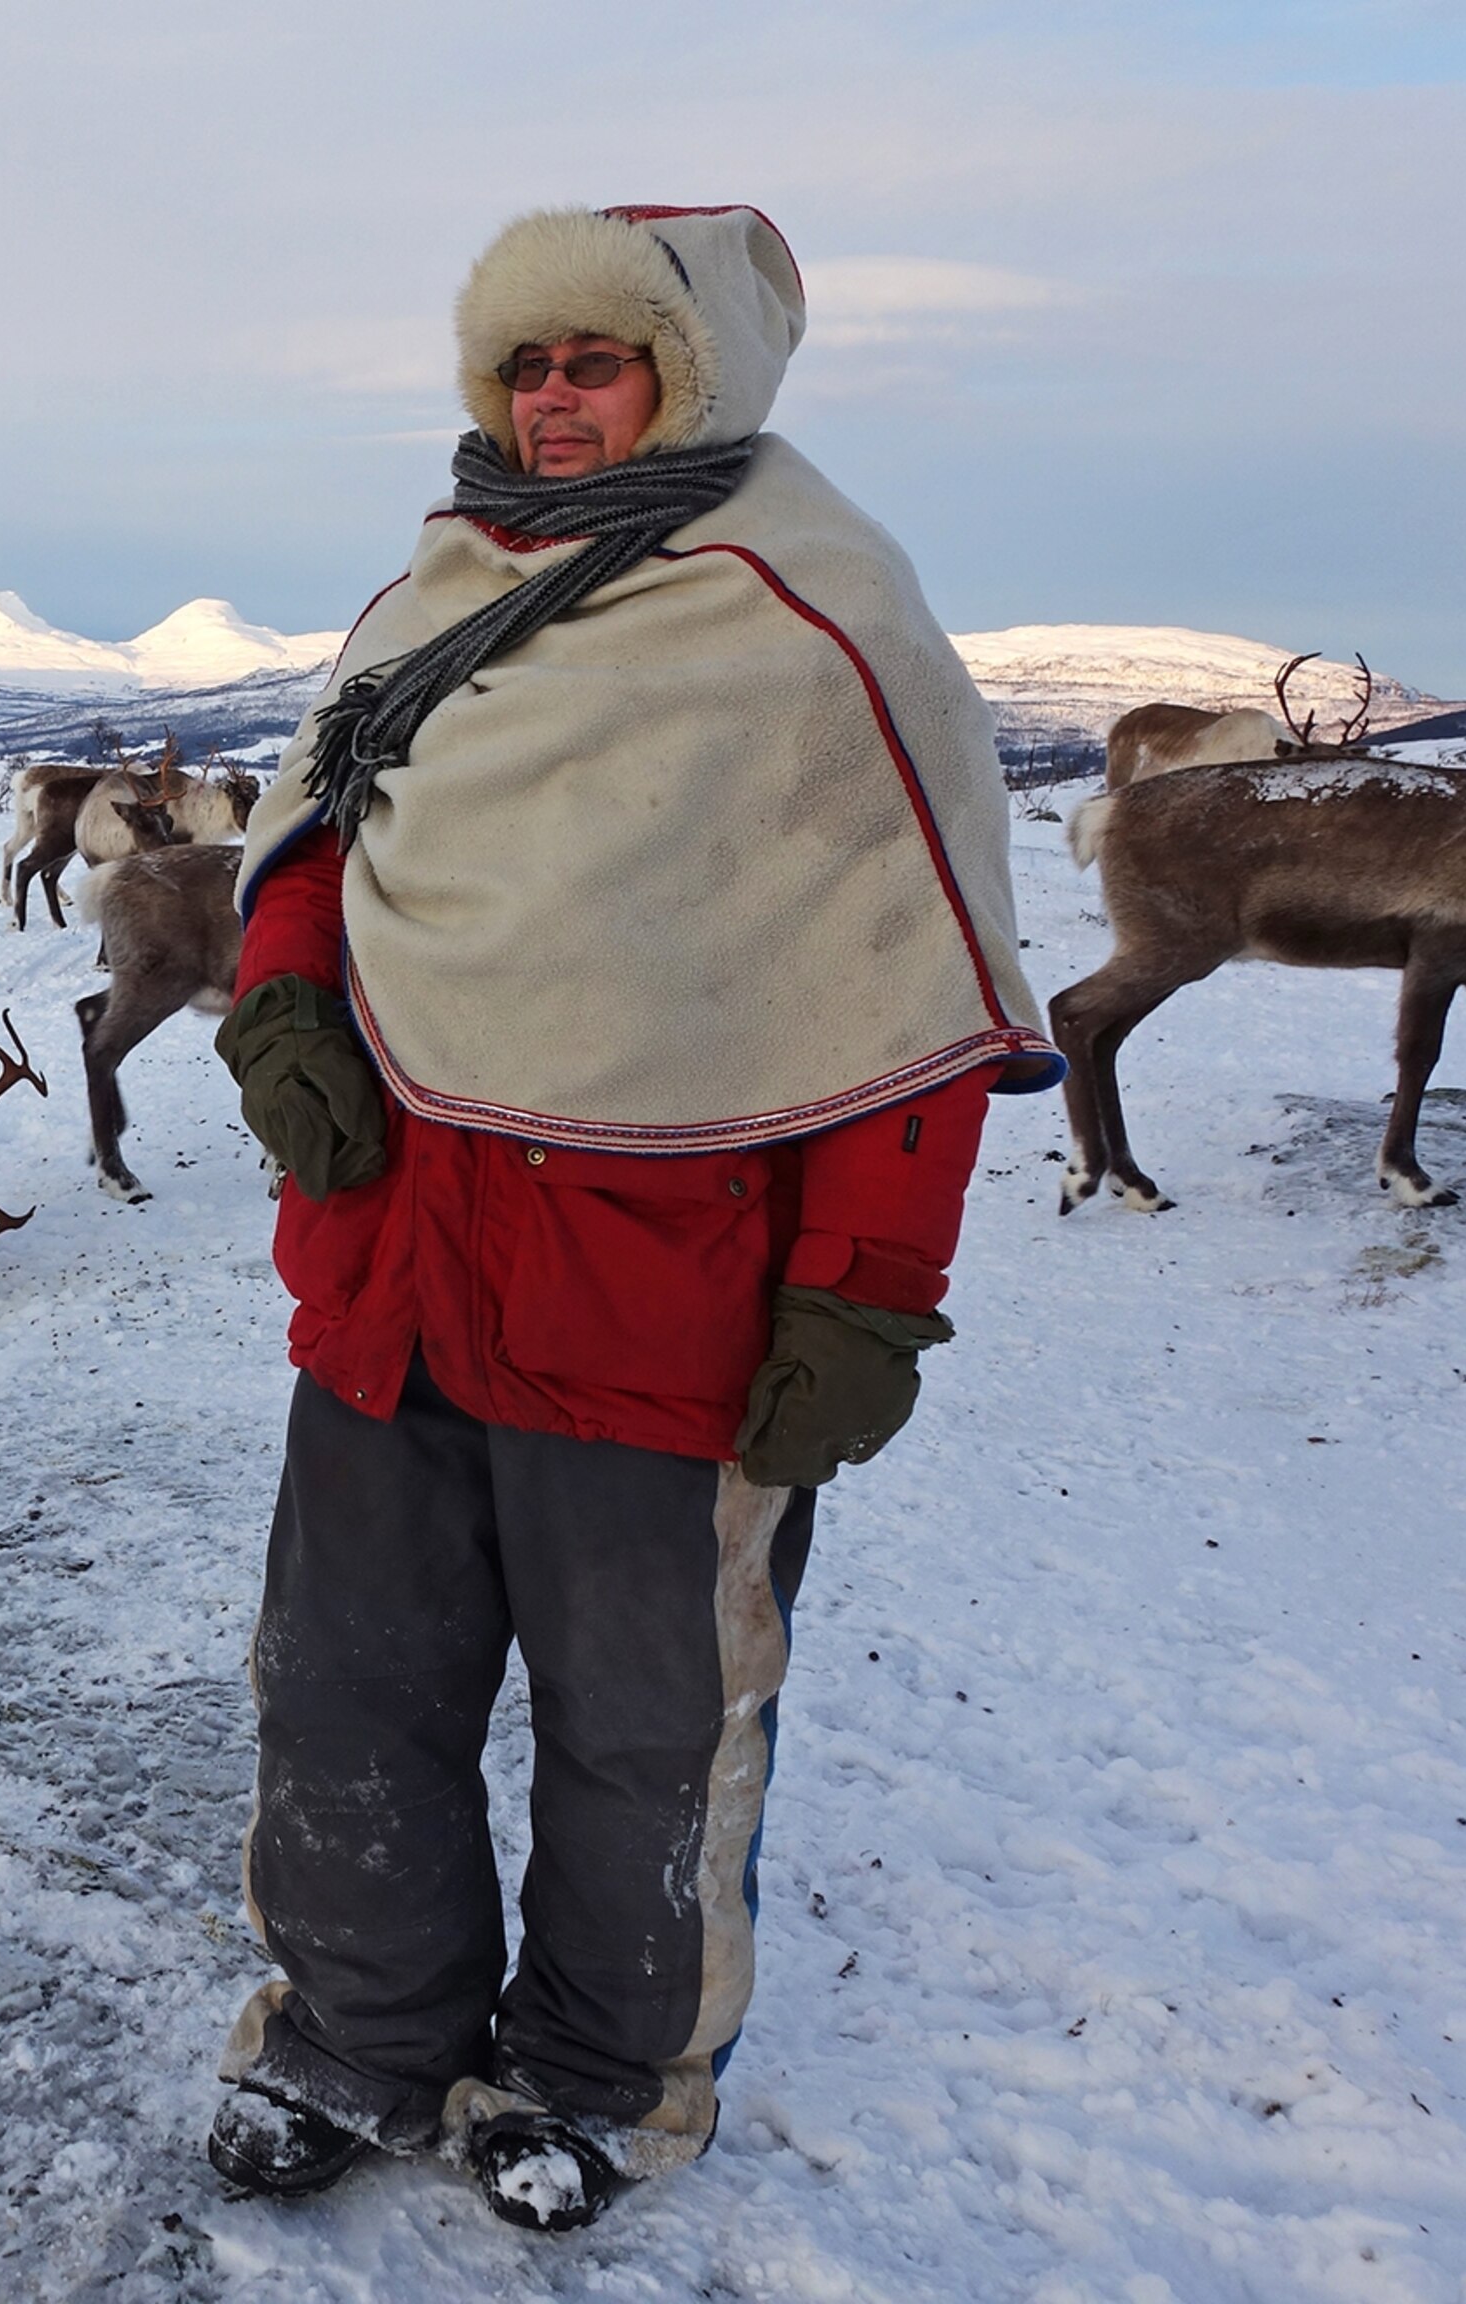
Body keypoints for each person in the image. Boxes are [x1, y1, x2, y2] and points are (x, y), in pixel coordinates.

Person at [203, 203, 1061, 2233]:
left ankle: (594, 2078)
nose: (553, 400)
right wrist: (286, 995)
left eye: (594, 360)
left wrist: (864, 1296)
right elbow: (323, 831)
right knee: (348, 1690)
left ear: (690, 375)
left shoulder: (816, 621)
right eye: (524, 364)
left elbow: (905, 991)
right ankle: (358, 2034)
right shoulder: (438, 589)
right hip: (401, 1270)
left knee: (647, 1732)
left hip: (662, 1301)